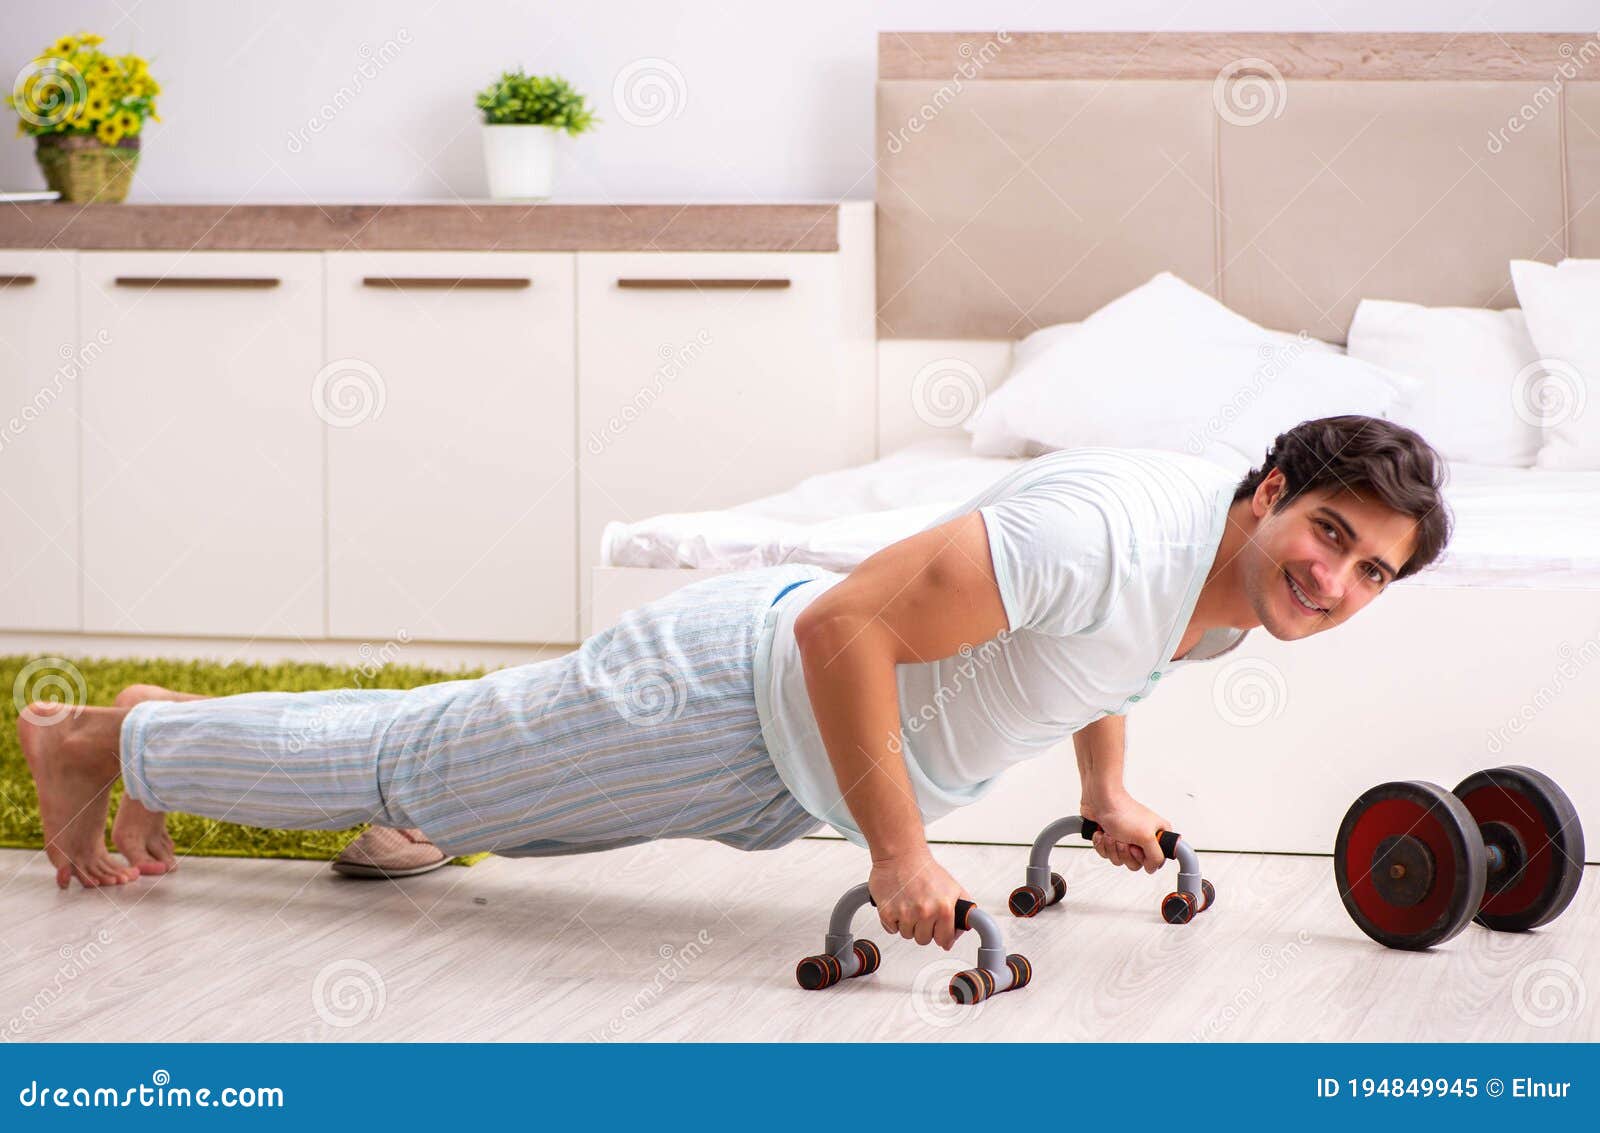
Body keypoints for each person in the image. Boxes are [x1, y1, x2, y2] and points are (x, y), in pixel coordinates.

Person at [19, 415, 1449, 955]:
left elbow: (1105, 652)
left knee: (450, 777)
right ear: (1270, 491)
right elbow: (845, 631)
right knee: (410, 771)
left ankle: (161, 732)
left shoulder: (1229, 584)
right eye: (1328, 534)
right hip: (721, 702)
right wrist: (899, 849)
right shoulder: (1107, 530)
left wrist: (1104, 785)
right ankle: (91, 738)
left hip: (772, 769)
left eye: (1371, 571)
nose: (1333, 581)